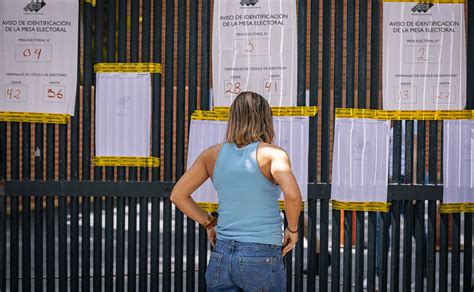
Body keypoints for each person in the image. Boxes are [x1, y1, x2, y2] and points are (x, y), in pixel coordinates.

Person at [170, 91, 302, 291]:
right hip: (261, 253)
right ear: (265, 118)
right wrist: (292, 229)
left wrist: (209, 223)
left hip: (221, 254)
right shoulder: (273, 154)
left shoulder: (211, 155)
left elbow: (178, 195)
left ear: (233, 118)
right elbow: (292, 195)